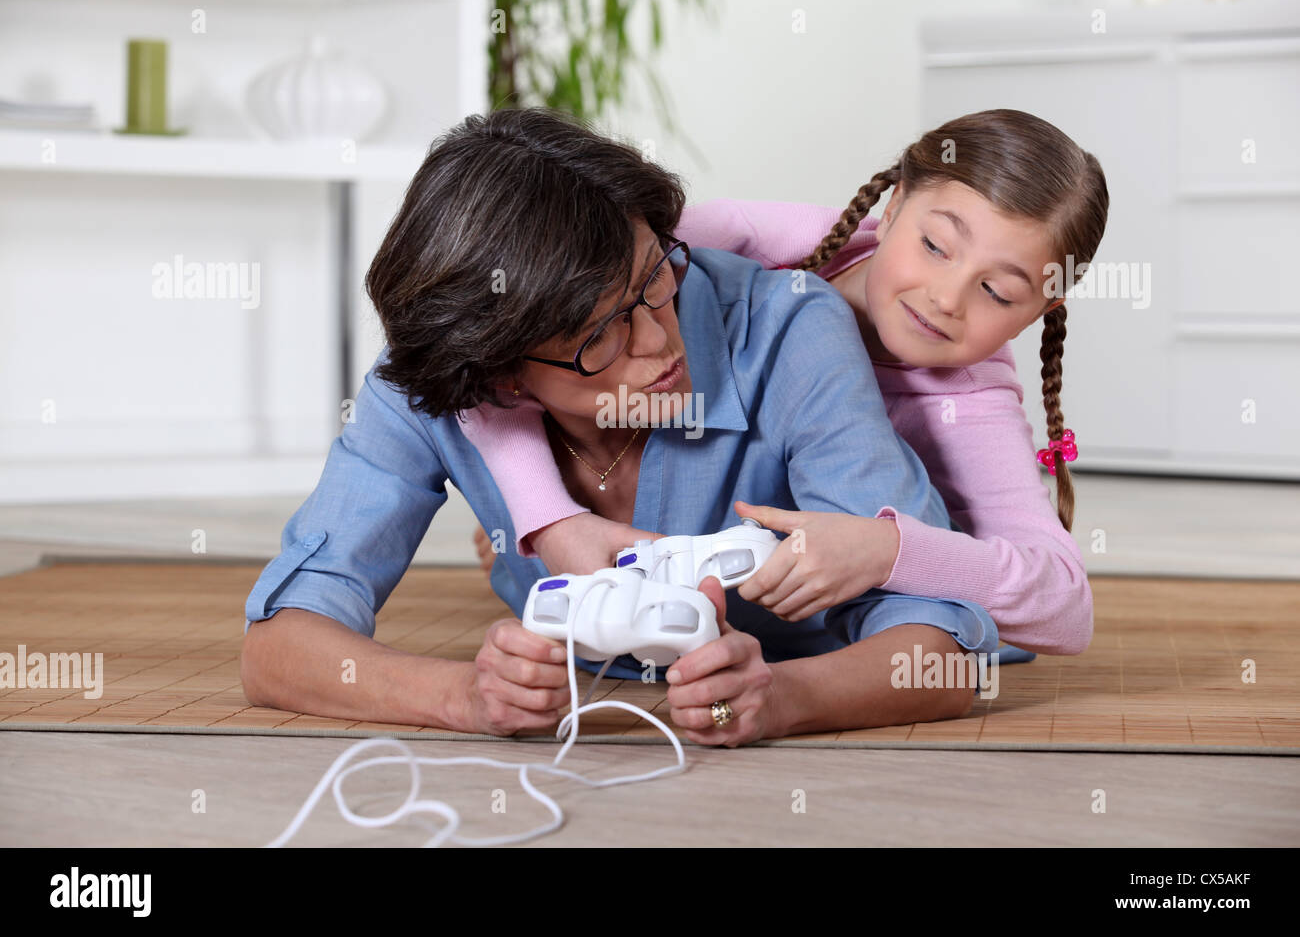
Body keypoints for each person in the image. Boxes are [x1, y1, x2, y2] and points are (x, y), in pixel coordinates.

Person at [241, 106, 1002, 748]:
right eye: (597, 335)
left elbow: (942, 648)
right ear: (502, 377)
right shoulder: (436, 378)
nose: (656, 341)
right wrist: (464, 697)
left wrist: (786, 696)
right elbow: (277, 648)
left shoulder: (790, 329)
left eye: (653, 277)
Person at [464, 109, 1108, 656]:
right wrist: (546, 516)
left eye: (997, 291)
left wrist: (883, 551)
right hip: (691, 554)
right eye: (936, 245)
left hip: (859, 614)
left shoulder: (972, 401)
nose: (945, 297)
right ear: (895, 204)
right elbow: (502, 330)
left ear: (1039, 313)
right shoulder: (748, 244)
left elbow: (1066, 606)